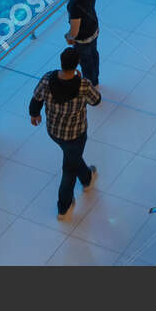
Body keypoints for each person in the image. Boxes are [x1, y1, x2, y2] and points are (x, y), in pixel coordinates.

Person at [28, 46, 102, 218]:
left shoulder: (48, 79)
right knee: (69, 169)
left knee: (71, 156)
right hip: (76, 133)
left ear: (61, 62)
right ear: (77, 65)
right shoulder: (83, 85)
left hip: (54, 131)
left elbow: (36, 99)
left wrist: (34, 114)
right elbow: (96, 101)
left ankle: (87, 178)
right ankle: (64, 206)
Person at [62, 0, 99, 87]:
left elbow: (74, 31)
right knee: (93, 55)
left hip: (83, 38)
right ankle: (96, 79)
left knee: (86, 62)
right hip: (94, 28)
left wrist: (68, 36)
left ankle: (91, 85)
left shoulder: (74, 6)